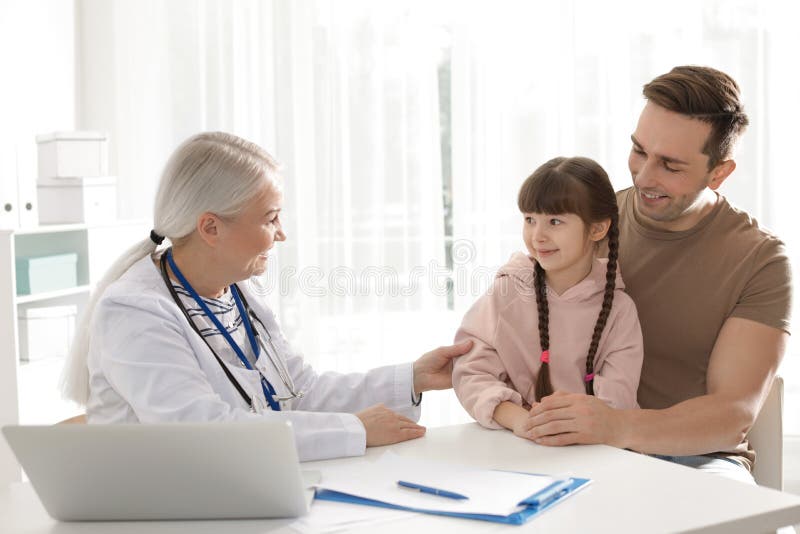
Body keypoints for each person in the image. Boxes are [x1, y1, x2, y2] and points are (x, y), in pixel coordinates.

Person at [61, 131, 472, 462]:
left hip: (239, 487)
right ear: (210, 228)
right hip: (159, 508)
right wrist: (355, 429)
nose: (281, 234)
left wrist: (412, 377)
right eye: (271, 218)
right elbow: (200, 432)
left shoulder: (239, 289)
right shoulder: (134, 311)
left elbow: (298, 391)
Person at [525, 66, 792, 482]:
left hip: (700, 460)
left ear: (719, 173)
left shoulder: (760, 260)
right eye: (639, 150)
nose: (644, 176)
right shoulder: (588, 223)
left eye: (671, 165)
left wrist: (615, 426)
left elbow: (731, 414)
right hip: (584, 451)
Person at [452, 156, 643, 438]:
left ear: (597, 229)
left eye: (554, 221)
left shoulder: (619, 309)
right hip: (518, 444)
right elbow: (470, 371)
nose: (537, 236)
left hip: (595, 448)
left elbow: (618, 400)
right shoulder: (506, 293)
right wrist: (519, 420)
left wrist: (556, 426)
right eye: (530, 220)